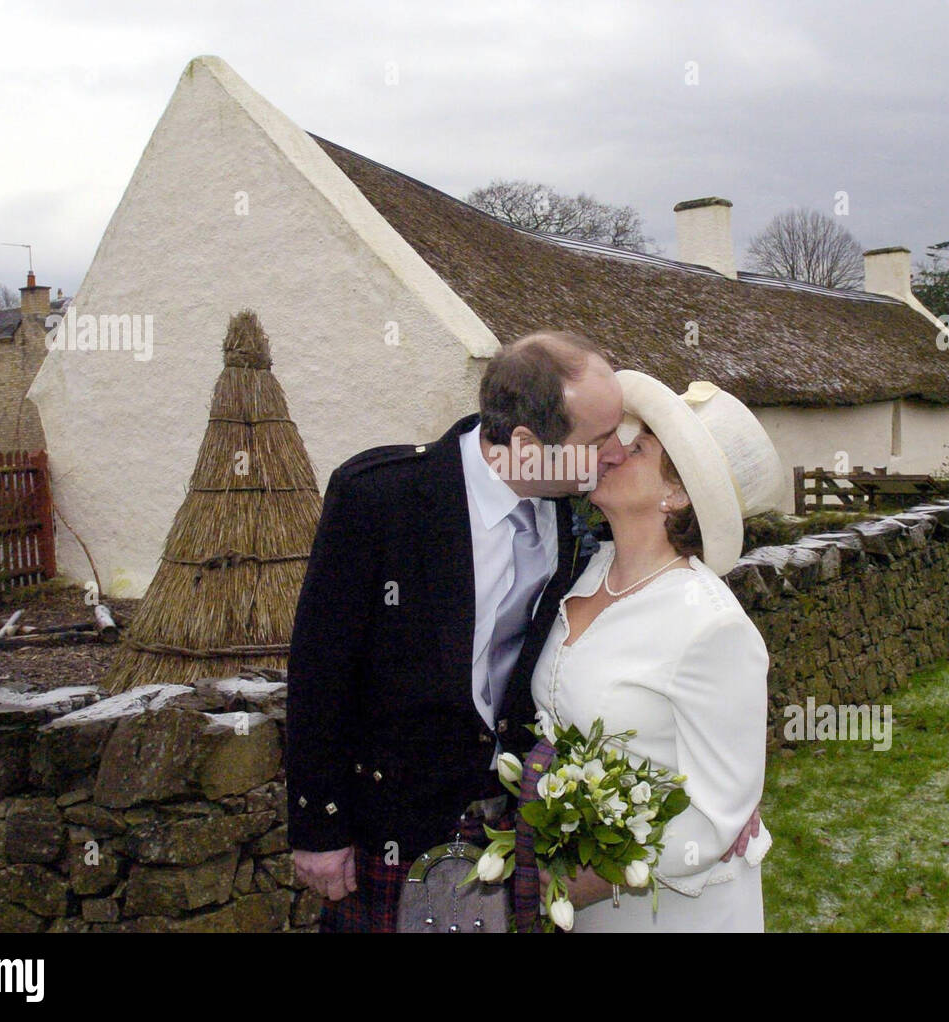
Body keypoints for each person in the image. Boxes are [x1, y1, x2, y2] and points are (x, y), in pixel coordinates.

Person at [287, 333, 764, 931]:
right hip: (390, 824)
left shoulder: (570, 518)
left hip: (516, 837)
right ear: (525, 446)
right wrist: (317, 826)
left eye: (626, 441)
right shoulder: (382, 497)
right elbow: (318, 670)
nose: (612, 454)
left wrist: (716, 806)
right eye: (597, 442)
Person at [528, 372, 783, 932]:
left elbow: (718, 817)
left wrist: (577, 882)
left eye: (637, 447)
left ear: (677, 494)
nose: (612, 452)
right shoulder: (582, 571)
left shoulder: (710, 626)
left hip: (669, 912)